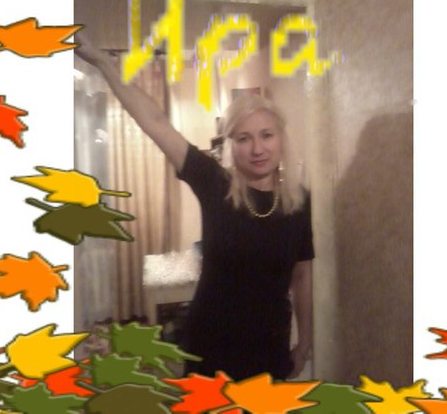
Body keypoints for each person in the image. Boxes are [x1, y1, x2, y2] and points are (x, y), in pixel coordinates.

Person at [75, 34, 314, 380]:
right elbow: (156, 122)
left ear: (281, 138)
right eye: (244, 138)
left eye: (266, 135)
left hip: (270, 344)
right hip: (212, 343)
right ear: (231, 145)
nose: (257, 149)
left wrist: (305, 341)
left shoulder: (299, 201)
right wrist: (103, 63)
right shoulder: (215, 183)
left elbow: (303, 276)